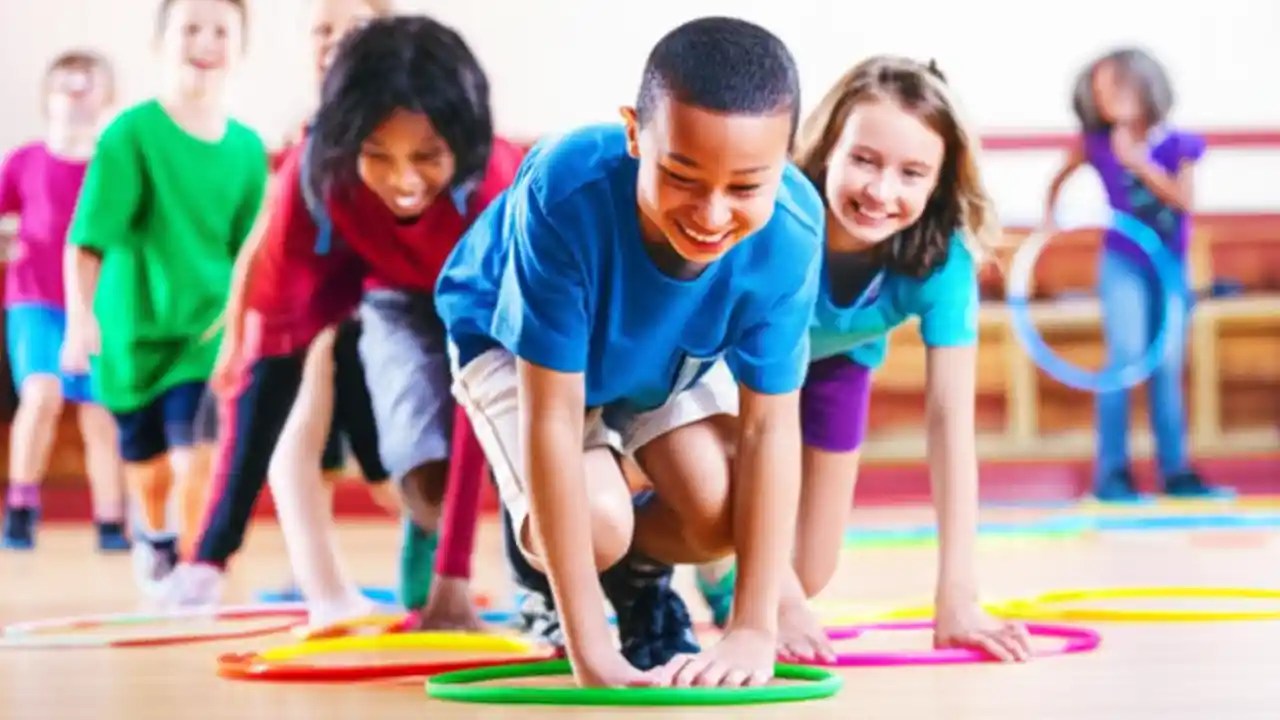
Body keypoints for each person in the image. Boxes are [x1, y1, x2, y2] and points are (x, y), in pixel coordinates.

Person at [436, 16, 821, 688]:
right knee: (595, 521)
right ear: (636, 133)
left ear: (785, 160)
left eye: (745, 187)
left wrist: (754, 629)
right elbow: (553, 418)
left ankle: (638, 577)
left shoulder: (791, 232)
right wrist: (593, 654)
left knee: (723, 512)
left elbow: (769, 427)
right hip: (510, 343)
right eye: (682, 176)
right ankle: (547, 568)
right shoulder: (564, 192)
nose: (710, 212)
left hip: (657, 350)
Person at [167, 16, 517, 636]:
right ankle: (420, 525)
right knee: (419, 480)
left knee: (513, 447)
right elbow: (268, 369)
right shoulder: (313, 177)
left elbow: (476, 386)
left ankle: (507, 575)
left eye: (427, 158)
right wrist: (210, 556)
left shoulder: (497, 197)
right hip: (388, 292)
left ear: (462, 144)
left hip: (476, 294)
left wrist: (455, 583)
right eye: (378, 156)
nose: (404, 181)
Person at [697, 55, 1035, 663]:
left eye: (912, 173)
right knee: (763, 552)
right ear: (829, 147)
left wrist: (957, 594)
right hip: (729, 365)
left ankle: (727, 578)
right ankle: (715, 573)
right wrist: (782, 604)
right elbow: (749, 417)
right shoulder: (777, 217)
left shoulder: (944, 261)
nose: (881, 192)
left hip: (837, 364)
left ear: (939, 182)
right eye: (864, 161)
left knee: (811, 569)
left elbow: (949, 423)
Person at [64, 0, 267, 595]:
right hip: (129, 335)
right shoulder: (130, 134)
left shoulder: (249, 149)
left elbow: (253, 255)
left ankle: (191, 565)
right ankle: (154, 536)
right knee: (149, 471)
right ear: (162, 43)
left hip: (205, 334)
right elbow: (88, 240)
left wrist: (247, 329)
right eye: (191, 28)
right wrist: (79, 318)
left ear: (239, 48)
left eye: (220, 31)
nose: (205, 41)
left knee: (196, 456)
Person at [1043, 48, 1218, 502]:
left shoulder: (1177, 143)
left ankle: (1176, 472)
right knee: (1123, 361)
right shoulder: (1094, 143)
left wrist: (1139, 163)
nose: (1107, 98)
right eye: (1100, 90)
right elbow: (1059, 178)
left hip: (1170, 267)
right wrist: (1051, 220)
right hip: (1122, 264)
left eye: (1117, 87)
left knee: (1166, 364)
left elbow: (1185, 201)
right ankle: (1113, 475)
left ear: (1145, 87)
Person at [0, 50, 127, 552]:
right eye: (65, 84)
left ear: (106, 97)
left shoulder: (112, 166)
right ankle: (21, 508)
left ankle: (112, 519)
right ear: (47, 98)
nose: (75, 93)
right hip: (34, 302)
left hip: (98, 310)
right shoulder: (25, 162)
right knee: (42, 396)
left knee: (100, 415)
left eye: (87, 83)